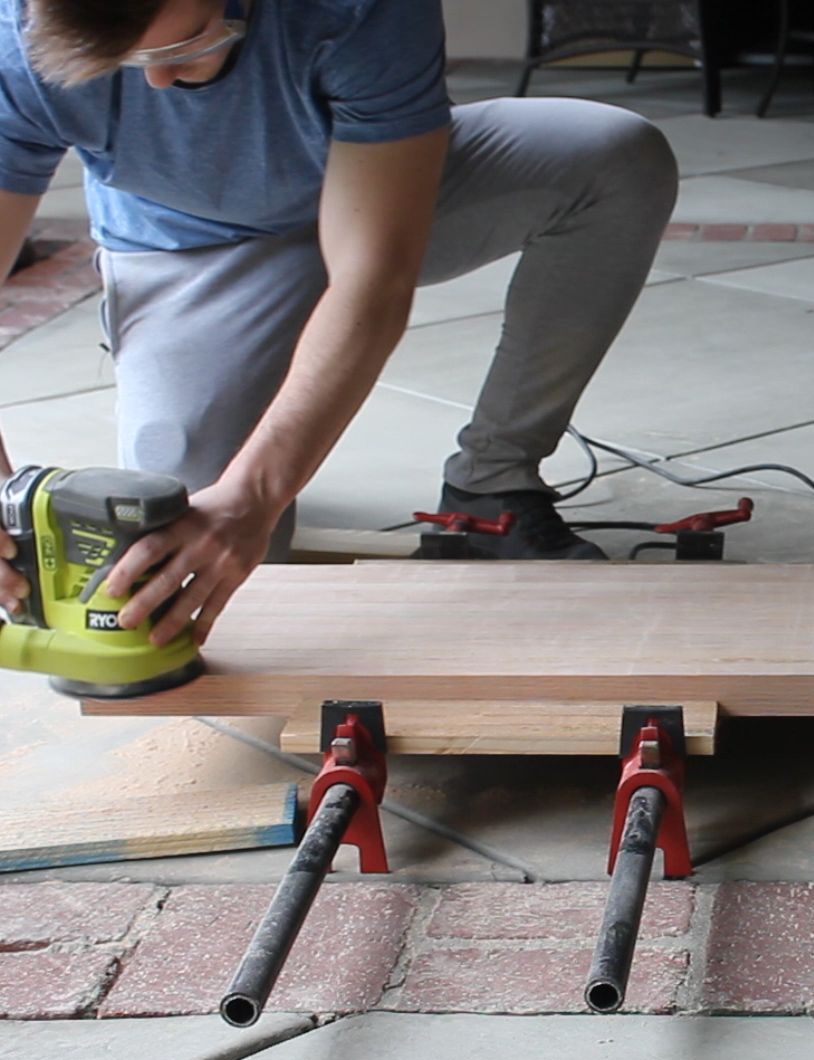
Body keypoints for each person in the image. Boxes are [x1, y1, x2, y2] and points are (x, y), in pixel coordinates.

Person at [0, 0, 678, 645]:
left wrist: (255, 494)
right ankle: (226, 408)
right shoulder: (18, 36)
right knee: (185, 560)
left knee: (616, 159)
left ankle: (493, 480)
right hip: (188, 245)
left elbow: (372, 281)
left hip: (372, 185)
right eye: (124, 61)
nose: (159, 79)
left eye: (187, 43)